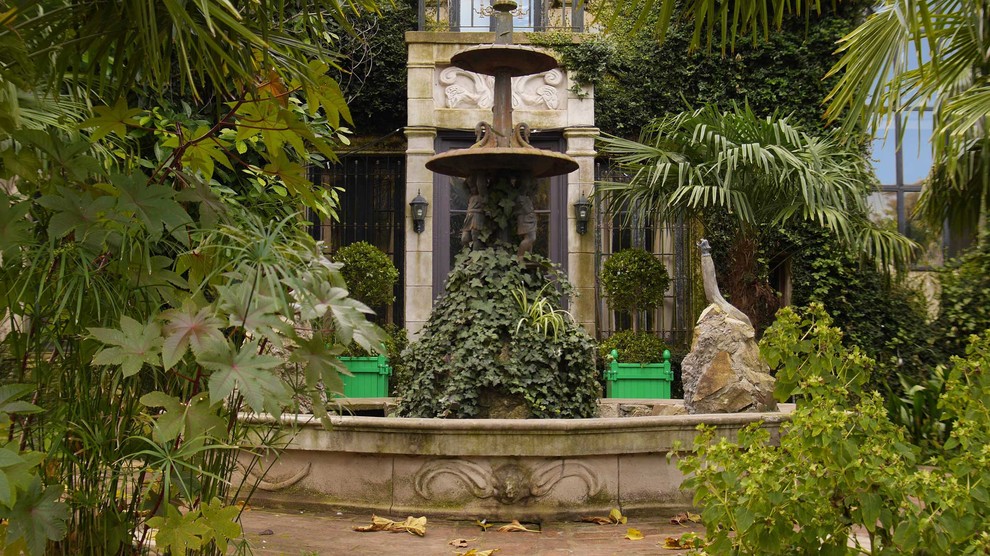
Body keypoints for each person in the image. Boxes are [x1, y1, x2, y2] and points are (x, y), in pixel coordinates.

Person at [460, 175, 487, 250]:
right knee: (464, 238)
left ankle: (475, 254)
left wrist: (480, 174)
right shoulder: (470, 197)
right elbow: (464, 187)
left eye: (474, 187)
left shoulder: (482, 196)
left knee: (475, 236)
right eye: (471, 188)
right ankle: (466, 253)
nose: (472, 189)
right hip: (469, 216)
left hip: (477, 216)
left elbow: (481, 185)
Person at [515, 177, 537, 262]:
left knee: (530, 238)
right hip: (525, 219)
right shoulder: (520, 198)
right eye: (526, 184)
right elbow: (526, 209)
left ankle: (528, 256)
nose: (527, 186)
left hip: (530, 219)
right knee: (531, 238)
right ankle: (520, 255)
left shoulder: (526, 197)